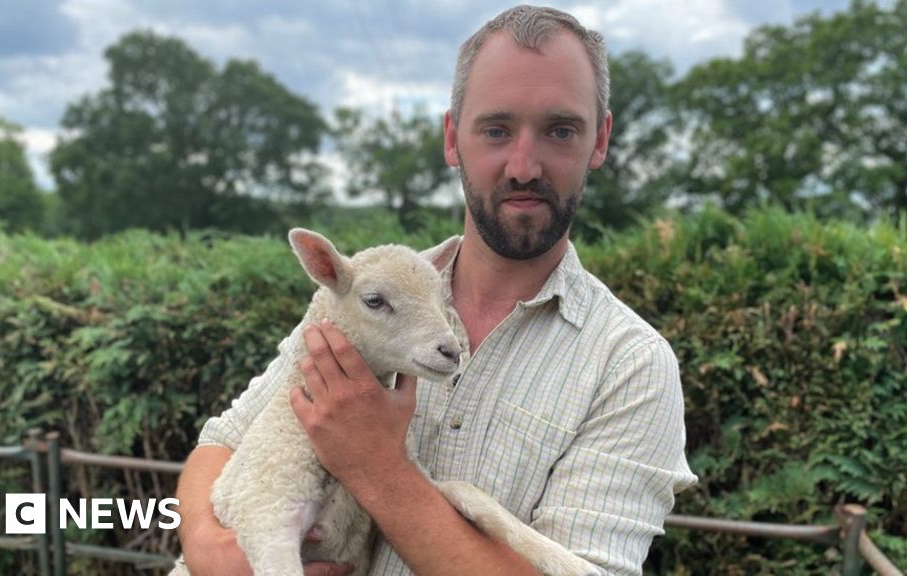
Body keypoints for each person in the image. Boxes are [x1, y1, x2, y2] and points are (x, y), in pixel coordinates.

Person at [175, 5, 697, 575]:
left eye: (560, 130)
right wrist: (210, 552)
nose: (523, 166)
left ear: (600, 141)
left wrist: (375, 465)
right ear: (452, 138)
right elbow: (226, 438)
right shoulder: (366, 297)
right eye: (496, 130)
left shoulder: (631, 364)